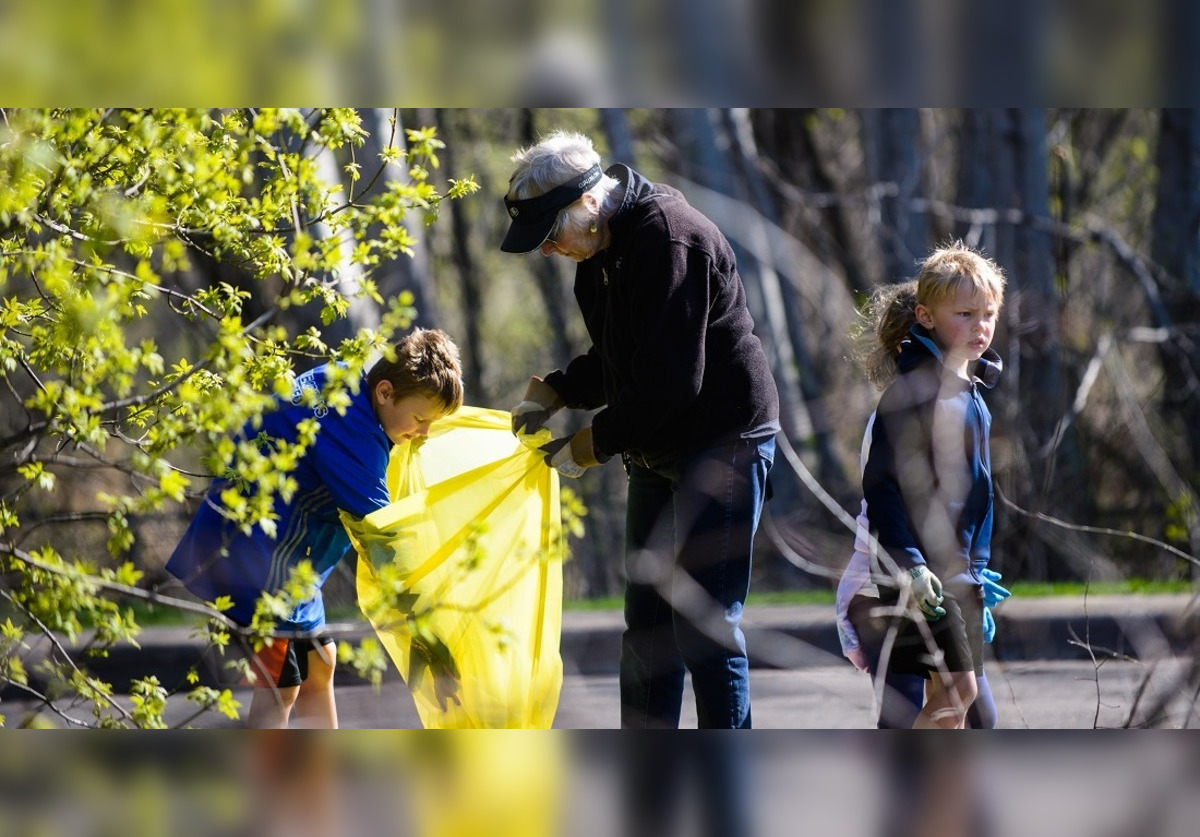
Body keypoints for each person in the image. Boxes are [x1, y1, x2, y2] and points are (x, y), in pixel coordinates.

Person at [499, 129, 780, 729]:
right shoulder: (594, 256)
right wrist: (557, 392)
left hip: (724, 440)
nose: (547, 250)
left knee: (705, 625)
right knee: (646, 629)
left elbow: (670, 382)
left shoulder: (668, 239)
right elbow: (621, 362)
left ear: (588, 203)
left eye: (549, 234)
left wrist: (589, 445)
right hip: (657, 448)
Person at [166, 328, 464, 727]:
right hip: (255, 556)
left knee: (320, 663)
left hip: (266, 545)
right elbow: (384, 543)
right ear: (386, 392)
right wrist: (428, 638)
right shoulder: (354, 436)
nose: (424, 434)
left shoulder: (351, 379)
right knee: (280, 684)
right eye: (421, 419)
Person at [836, 279, 1010, 728]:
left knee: (967, 709)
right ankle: (908, 795)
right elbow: (880, 497)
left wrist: (977, 573)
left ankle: (930, 797)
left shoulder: (968, 399)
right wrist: (907, 565)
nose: (979, 326)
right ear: (922, 324)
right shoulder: (906, 401)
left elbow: (976, 498)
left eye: (987, 314)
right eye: (964, 315)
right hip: (896, 580)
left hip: (949, 576)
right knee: (949, 699)